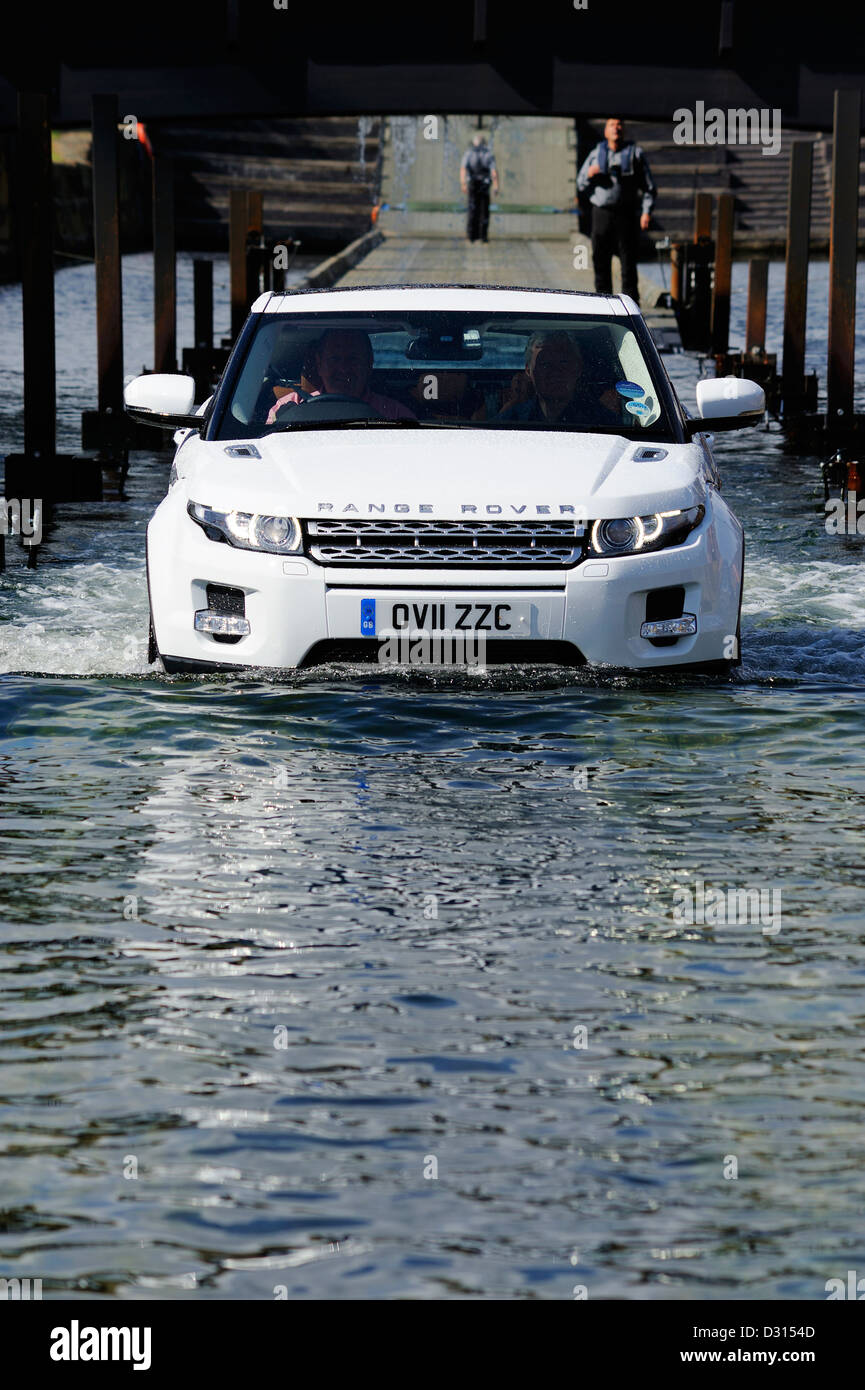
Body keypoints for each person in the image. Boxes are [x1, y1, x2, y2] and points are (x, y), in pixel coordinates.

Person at [576, 117, 656, 305]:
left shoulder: (635, 154)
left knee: (628, 262)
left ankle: (630, 305)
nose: (616, 128)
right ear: (605, 131)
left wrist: (646, 212)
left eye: (619, 124)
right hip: (601, 213)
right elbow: (580, 183)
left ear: (624, 130)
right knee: (600, 260)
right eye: (612, 124)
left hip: (625, 215)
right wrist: (590, 173)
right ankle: (604, 303)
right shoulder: (596, 153)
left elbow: (649, 188)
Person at [267, 328, 416, 424]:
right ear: (319, 364)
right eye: (334, 359)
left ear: (369, 363)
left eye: (353, 359)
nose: (344, 369)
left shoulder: (395, 415)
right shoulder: (287, 408)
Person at [497, 332, 624, 427]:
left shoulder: (605, 424)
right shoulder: (509, 422)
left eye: (563, 363)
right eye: (545, 364)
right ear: (528, 371)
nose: (555, 372)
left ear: (578, 368)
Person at [460, 132, 499, 245]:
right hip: (484, 184)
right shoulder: (488, 154)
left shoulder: (469, 153)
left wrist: (463, 183)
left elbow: (463, 169)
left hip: (473, 183)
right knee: (484, 210)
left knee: (473, 209)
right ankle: (483, 236)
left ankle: (472, 236)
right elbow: (494, 172)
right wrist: (496, 186)